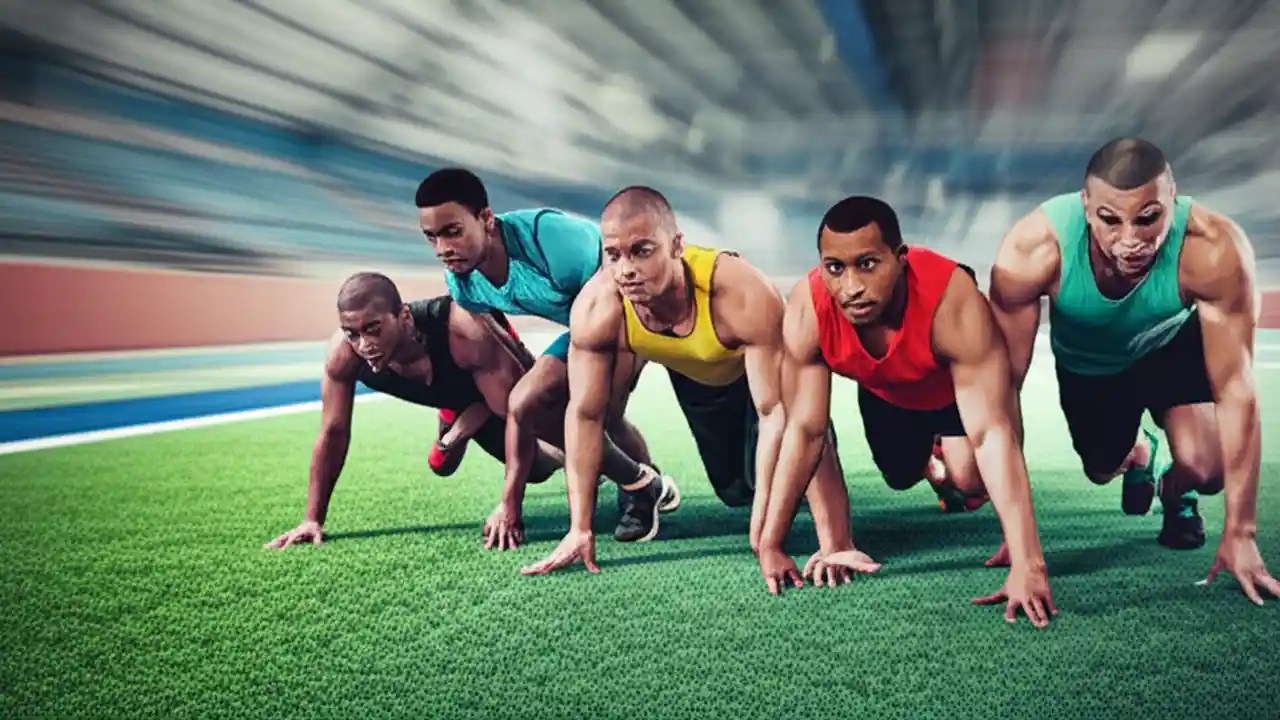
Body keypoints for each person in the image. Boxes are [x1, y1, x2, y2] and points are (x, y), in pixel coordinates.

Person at [989, 137, 1278, 604]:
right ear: (1086, 206)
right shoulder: (1033, 250)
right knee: (1101, 469)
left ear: (1172, 199)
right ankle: (1142, 452)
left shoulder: (1214, 248)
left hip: (1170, 345)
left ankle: (1174, 486)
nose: (1131, 239)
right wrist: (1017, 534)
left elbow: (1236, 389)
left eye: (1149, 218)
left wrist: (1241, 532)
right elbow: (1003, 395)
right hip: (1091, 366)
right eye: (1110, 219)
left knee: (1208, 468)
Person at [521, 186, 863, 577]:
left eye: (642, 251)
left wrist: (766, 537)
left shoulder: (740, 291)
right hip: (700, 383)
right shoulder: (598, 306)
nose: (626, 270)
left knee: (803, 430)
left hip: (762, 381)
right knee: (737, 492)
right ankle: (775, 489)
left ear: (676, 246)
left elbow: (775, 414)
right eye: (613, 255)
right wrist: (579, 528)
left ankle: (836, 540)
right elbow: (584, 415)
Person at [754, 195, 1055, 627]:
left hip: (952, 389)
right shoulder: (809, 309)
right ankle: (933, 464)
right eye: (835, 268)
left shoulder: (953, 299)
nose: (850, 286)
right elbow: (805, 431)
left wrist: (1026, 557)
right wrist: (772, 542)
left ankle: (951, 461)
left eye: (868, 264)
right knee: (899, 475)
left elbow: (995, 429)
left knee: (972, 478)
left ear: (899, 259)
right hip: (887, 391)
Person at [264, 273, 617, 552]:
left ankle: (636, 479)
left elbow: (517, 415)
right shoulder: (345, 355)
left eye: (373, 329)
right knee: (442, 465)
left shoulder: (462, 331)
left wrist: (509, 505)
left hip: (498, 381)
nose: (364, 345)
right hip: (457, 393)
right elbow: (333, 432)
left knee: (547, 453)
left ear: (403, 316)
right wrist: (313, 519)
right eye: (352, 334)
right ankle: (457, 416)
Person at [415, 169, 677, 542]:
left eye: (452, 232)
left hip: (628, 315)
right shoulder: (463, 283)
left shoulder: (548, 238)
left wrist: (593, 369)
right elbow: (496, 337)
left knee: (605, 413)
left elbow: (622, 277)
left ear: (486, 220)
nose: (443, 249)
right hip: (580, 330)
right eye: (431, 237)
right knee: (520, 402)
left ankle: (642, 491)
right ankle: (644, 487)